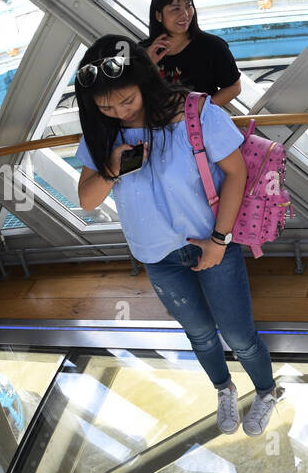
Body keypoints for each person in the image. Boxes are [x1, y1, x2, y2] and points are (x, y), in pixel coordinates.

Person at [75, 35, 282, 436]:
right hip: (156, 257)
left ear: (145, 83)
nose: (119, 113)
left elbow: (237, 173)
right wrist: (112, 168)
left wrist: (220, 241)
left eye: (127, 101)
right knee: (201, 335)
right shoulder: (103, 134)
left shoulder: (198, 113)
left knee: (240, 335)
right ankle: (223, 389)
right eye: (106, 107)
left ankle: (267, 391)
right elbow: (87, 199)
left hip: (212, 243)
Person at [141, 0, 242, 106]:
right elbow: (124, 91)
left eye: (188, 5)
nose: (185, 14)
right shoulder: (143, 50)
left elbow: (234, 87)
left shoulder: (212, 46)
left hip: (197, 124)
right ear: (158, 16)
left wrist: (199, 111)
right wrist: (146, 64)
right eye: (175, 9)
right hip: (154, 124)